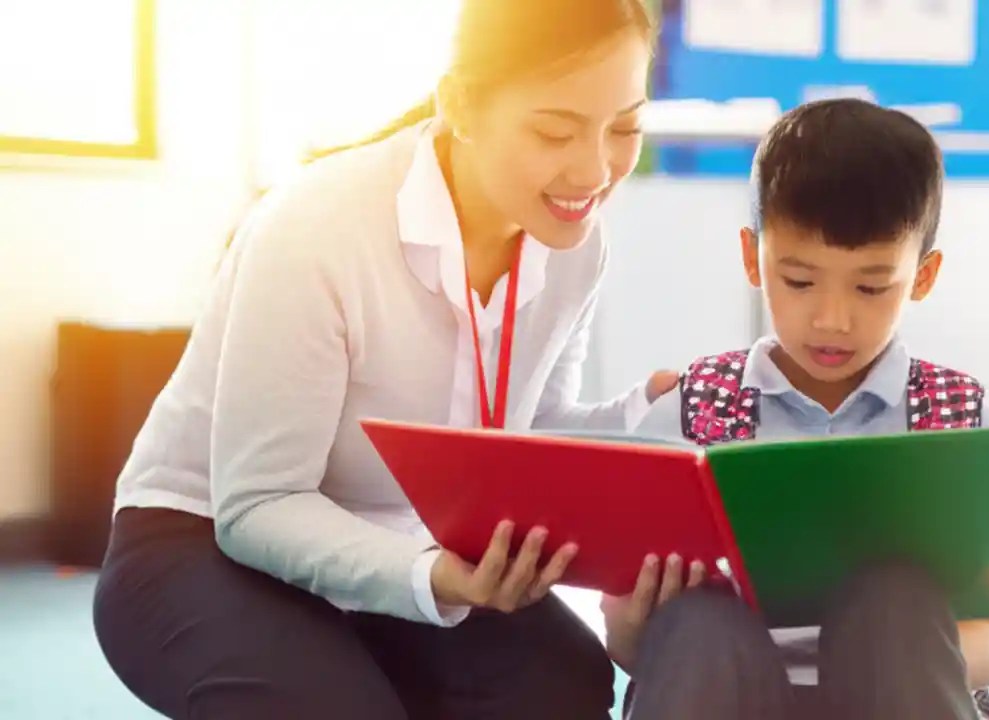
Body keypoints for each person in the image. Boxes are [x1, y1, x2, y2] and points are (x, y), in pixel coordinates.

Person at [92, 2, 676, 718]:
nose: (595, 170)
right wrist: (432, 577)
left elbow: (532, 424)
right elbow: (257, 506)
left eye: (624, 127)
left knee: (565, 685)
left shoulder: (574, 243)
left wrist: (642, 417)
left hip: (404, 538)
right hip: (201, 538)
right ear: (460, 105)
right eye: (555, 131)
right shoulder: (316, 227)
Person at [603, 99, 989, 720]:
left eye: (871, 287)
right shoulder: (691, 411)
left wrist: (903, 647)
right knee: (699, 623)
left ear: (923, 276)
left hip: (893, 697)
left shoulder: (955, 417)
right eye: (799, 281)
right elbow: (631, 645)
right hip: (730, 694)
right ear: (753, 258)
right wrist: (643, 624)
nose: (832, 319)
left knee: (896, 604)